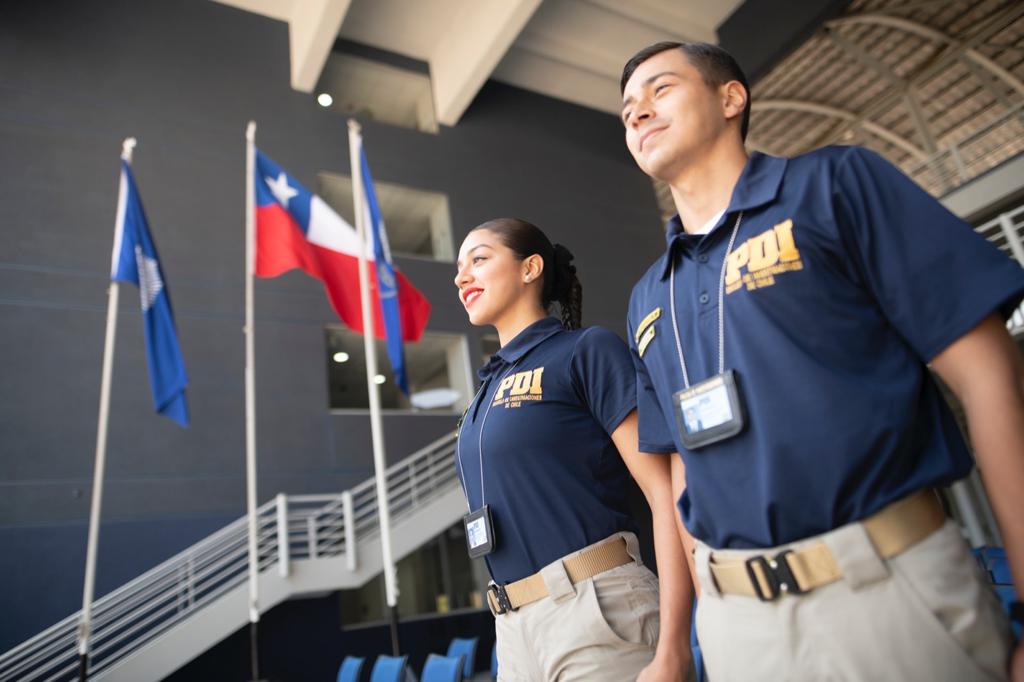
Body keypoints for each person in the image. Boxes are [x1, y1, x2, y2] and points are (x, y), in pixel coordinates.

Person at [619, 40, 1024, 681]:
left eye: (660, 90)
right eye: (627, 109)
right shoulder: (649, 295)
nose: (638, 113)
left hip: (884, 590)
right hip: (736, 627)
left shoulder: (834, 184)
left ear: (731, 98)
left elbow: (990, 375)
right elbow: (682, 474)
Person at [453, 218, 693, 681]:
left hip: (596, 607)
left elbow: (664, 492)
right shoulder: (484, 391)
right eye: (459, 268)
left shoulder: (585, 351)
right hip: (511, 627)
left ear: (531, 269)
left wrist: (675, 643)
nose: (461, 277)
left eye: (479, 259)